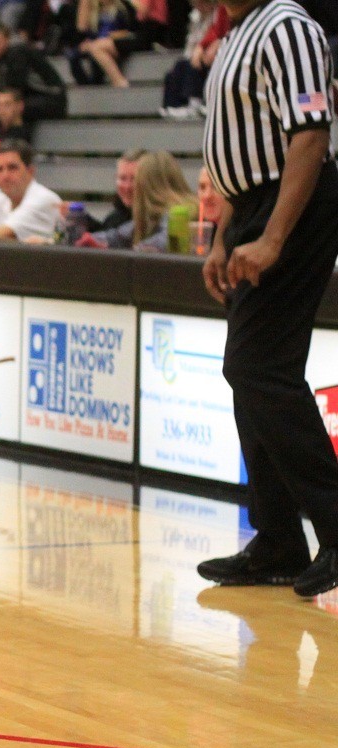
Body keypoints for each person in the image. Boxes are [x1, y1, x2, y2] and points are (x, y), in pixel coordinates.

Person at [196, 0, 338, 598]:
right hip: (254, 208)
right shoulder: (236, 35)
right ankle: (278, 539)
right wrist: (222, 237)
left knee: (258, 367)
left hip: (293, 205)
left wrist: (275, 235)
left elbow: (310, 135)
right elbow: (238, 155)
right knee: (250, 373)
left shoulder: (287, 25)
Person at [78, 150, 194, 248]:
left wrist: (133, 253)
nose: (130, 187)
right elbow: (119, 236)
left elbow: (164, 242)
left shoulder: (181, 212)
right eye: (123, 178)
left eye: (135, 180)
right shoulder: (149, 214)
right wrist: (91, 239)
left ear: (154, 185)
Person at [0, 139, 63, 239]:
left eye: (12, 168)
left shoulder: (44, 199)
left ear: (30, 171)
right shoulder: (1, 200)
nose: (5, 176)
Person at [0, 24, 69, 121]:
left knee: (9, 106)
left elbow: (14, 88)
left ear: (7, 40)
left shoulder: (18, 53)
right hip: (30, 98)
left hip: (51, 99)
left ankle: (17, 131)